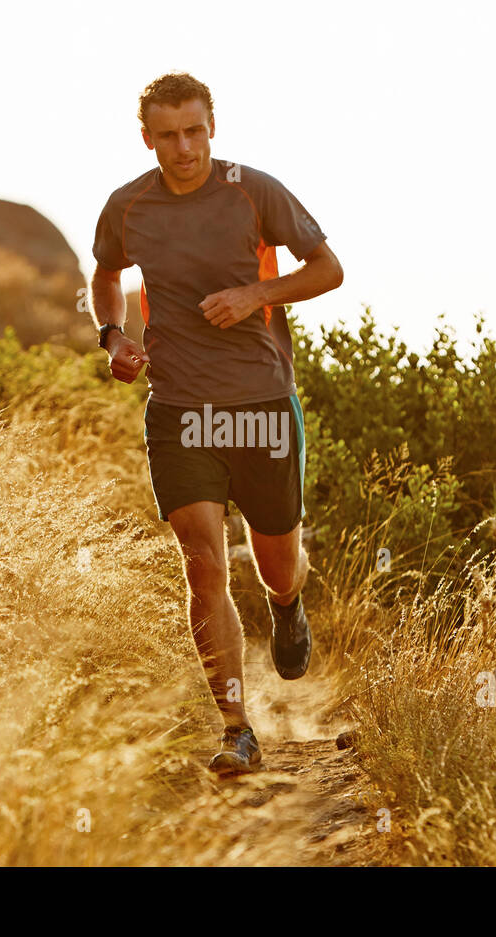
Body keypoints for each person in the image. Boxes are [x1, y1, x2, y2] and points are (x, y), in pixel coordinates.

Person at [89, 72, 343, 776]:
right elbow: (106, 274)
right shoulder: (128, 206)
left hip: (261, 403)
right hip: (178, 409)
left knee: (275, 561)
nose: (183, 147)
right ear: (148, 139)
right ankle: (236, 728)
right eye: (167, 135)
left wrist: (256, 294)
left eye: (194, 130)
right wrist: (114, 338)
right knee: (202, 561)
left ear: (212, 127)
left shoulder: (253, 191)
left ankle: (288, 605)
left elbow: (329, 268)